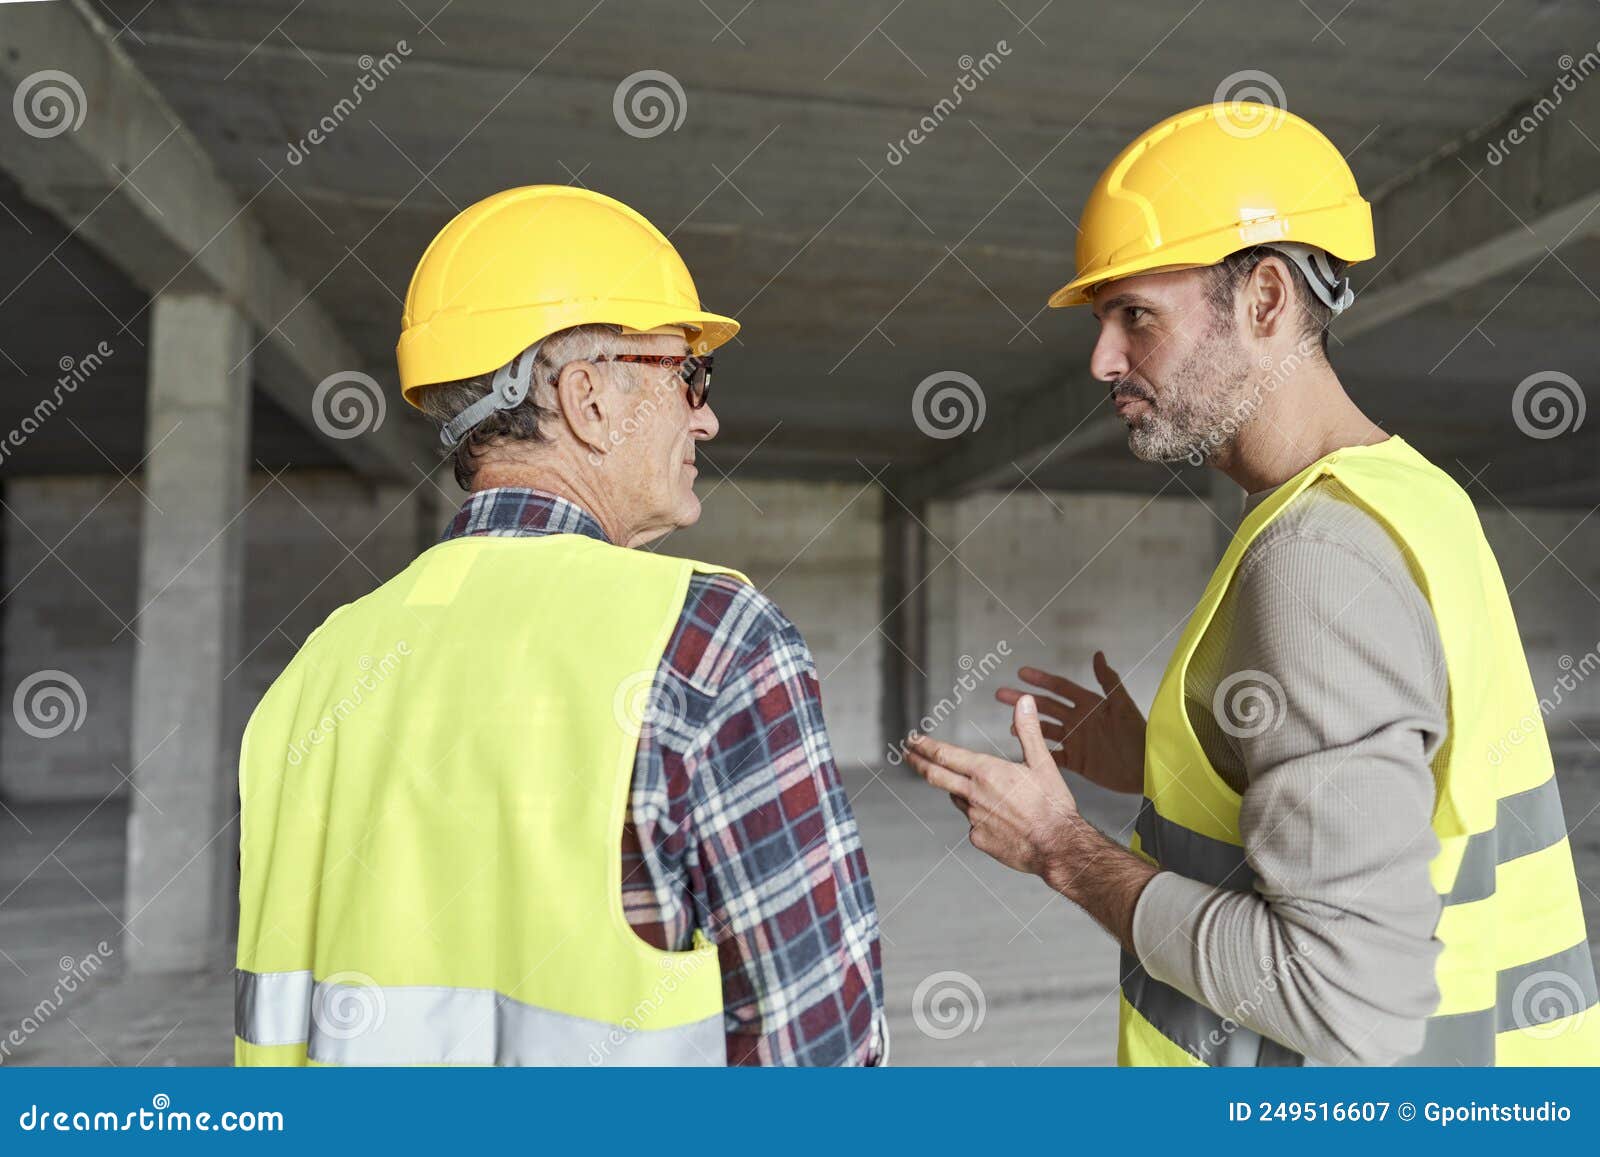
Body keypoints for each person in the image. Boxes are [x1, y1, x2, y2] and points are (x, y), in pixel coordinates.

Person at [905, 104, 1599, 1066]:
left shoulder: (1320, 556)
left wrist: (1061, 847)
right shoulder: (1412, 496)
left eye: (1135, 315)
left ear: (1266, 301)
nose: (1102, 358)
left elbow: (1347, 1001)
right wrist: (1159, 762)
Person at [234, 186, 884, 1066]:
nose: (708, 416)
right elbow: (821, 1050)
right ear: (588, 399)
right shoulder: (711, 645)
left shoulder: (316, 672)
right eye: (689, 374)